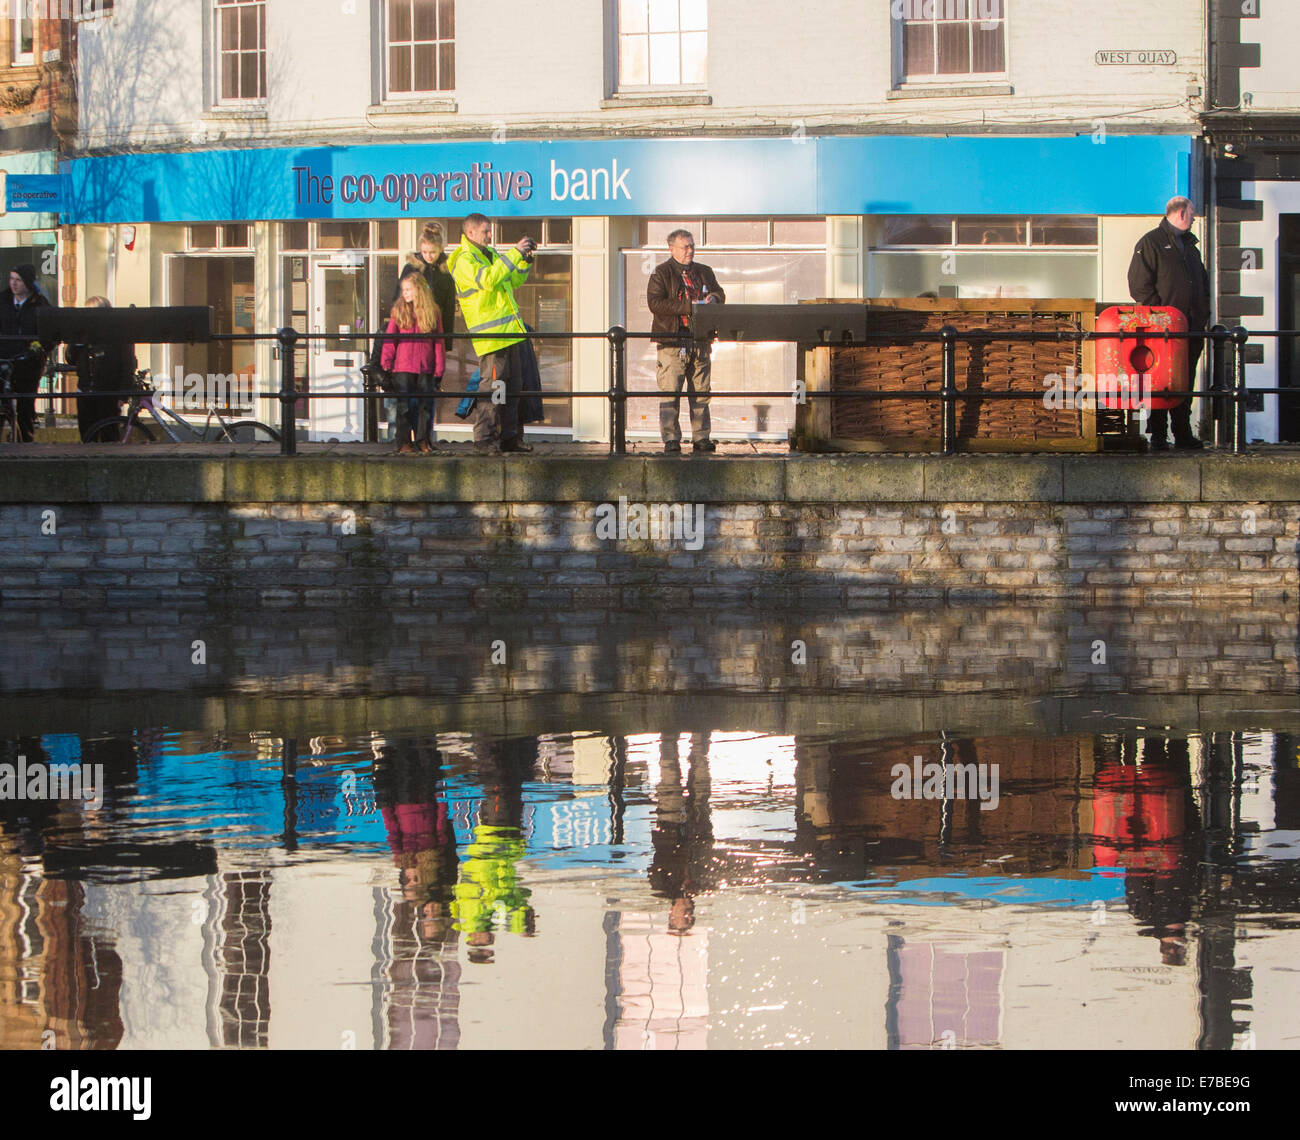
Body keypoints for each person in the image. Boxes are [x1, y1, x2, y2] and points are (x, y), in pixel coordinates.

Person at [447, 212, 535, 454]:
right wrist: (515, 253)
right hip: (492, 337)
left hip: (510, 333)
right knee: (494, 389)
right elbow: (488, 280)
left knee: (513, 389)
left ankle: (510, 437)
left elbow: (513, 281)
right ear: (471, 232)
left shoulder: (491, 255)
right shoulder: (464, 260)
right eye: (486, 231)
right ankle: (484, 438)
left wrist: (524, 261)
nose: (490, 235)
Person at [1127, 196, 1211, 451]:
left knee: (1185, 382)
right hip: (1162, 331)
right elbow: (1139, 285)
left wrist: (1201, 315)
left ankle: (1183, 434)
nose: (1195, 218)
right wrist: (1161, 315)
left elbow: (1202, 285)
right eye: (1192, 213)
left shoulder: (1191, 247)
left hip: (1191, 328)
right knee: (1161, 381)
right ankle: (1159, 436)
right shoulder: (1151, 243)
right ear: (1182, 213)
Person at [647, 229, 725, 455]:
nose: (690, 250)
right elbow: (655, 304)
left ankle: (702, 437)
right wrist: (690, 306)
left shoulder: (704, 271)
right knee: (670, 392)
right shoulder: (660, 272)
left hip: (700, 338)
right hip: (672, 340)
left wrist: (714, 298)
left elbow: (720, 293)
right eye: (685, 247)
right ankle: (671, 438)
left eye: (692, 246)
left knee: (701, 392)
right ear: (671, 249)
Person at [380, 274, 445, 454]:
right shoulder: (399, 310)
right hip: (403, 365)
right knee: (404, 407)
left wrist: (439, 368)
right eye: (404, 290)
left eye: (408, 289)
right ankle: (404, 443)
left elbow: (438, 342)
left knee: (426, 406)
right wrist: (386, 363)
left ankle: (423, 440)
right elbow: (390, 339)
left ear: (419, 290)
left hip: (426, 365)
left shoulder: (433, 311)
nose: (405, 293)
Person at [67, 296, 138, 442]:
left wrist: (122, 395)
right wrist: (75, 342)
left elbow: (127, 366)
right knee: (87, 434)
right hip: (86, 389)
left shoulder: (118, 335)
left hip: (108, 390)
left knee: (109, 433)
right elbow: (71, 359)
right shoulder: (83, 334)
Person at [0, 264, 52, 442]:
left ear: (27, 283)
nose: (13, 284)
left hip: (28, 365)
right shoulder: (3, 301)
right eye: (11, 279)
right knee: (1, 405)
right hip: (5, 361)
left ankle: (27, 443)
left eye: (18, 280)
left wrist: (40, 349)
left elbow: (50, 334)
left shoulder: (39, 304)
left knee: (26, 407)